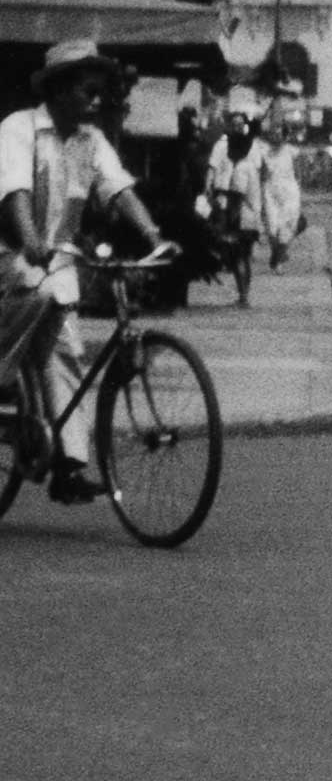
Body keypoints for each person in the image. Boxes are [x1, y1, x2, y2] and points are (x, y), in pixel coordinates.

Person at [0, 40, 177, 503]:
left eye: (99, 92)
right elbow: (14, 191)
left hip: (58, 266)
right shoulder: (19, 129)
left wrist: (154, 236)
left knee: (67, 354)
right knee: (32, 298)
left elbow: (118, 190)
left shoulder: (91, 141)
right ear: (59, 90)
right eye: (87, 90)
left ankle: (69, 466)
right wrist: (32, 242)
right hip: (13, 258)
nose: (96, 101)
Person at [205, 112, 266, 307]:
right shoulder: (244, 163)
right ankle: (244, 295)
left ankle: (244, 296)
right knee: (243, 257)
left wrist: (228, 221)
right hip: (249, 215)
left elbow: (237, 197)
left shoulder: (241, 168)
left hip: (239, 217)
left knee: (238, 256)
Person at [259, 124, 304, 272]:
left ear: (284, 136)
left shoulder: (292, 152)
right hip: (270, 190)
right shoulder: (264, 152)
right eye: (273, 134)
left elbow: (298, 174)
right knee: (271, 228)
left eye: (279, 134)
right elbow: (262, 174)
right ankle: (278, 253)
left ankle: (278, 260)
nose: (276, 137)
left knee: (286, 227)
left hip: (289, 191)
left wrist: (298, 192)